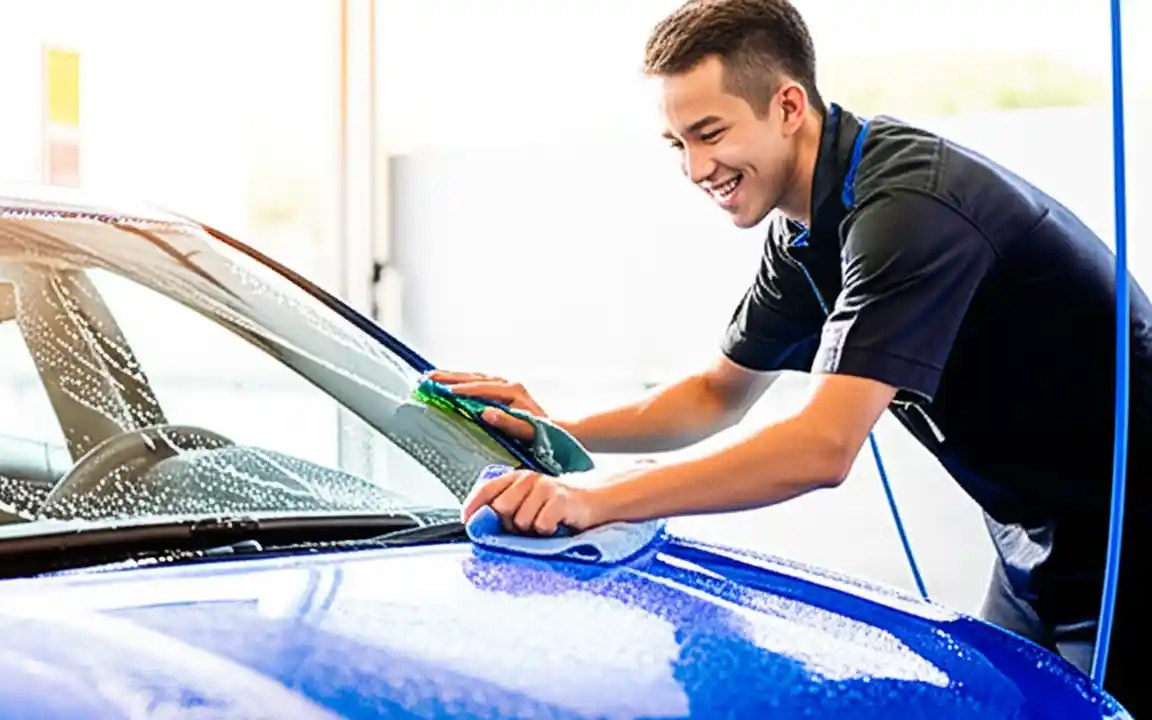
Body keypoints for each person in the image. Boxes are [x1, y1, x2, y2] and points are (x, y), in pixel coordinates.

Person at [428, 0, 1149, 712]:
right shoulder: (806, 229)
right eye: (676, 143)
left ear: (788, 105)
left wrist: (595, 499)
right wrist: (556, 428)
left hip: (1128, 538)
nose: (695, 167)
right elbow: (717, 394)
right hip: (1038, 544)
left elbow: (820, 449)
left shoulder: (911, 209)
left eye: (710, 133)